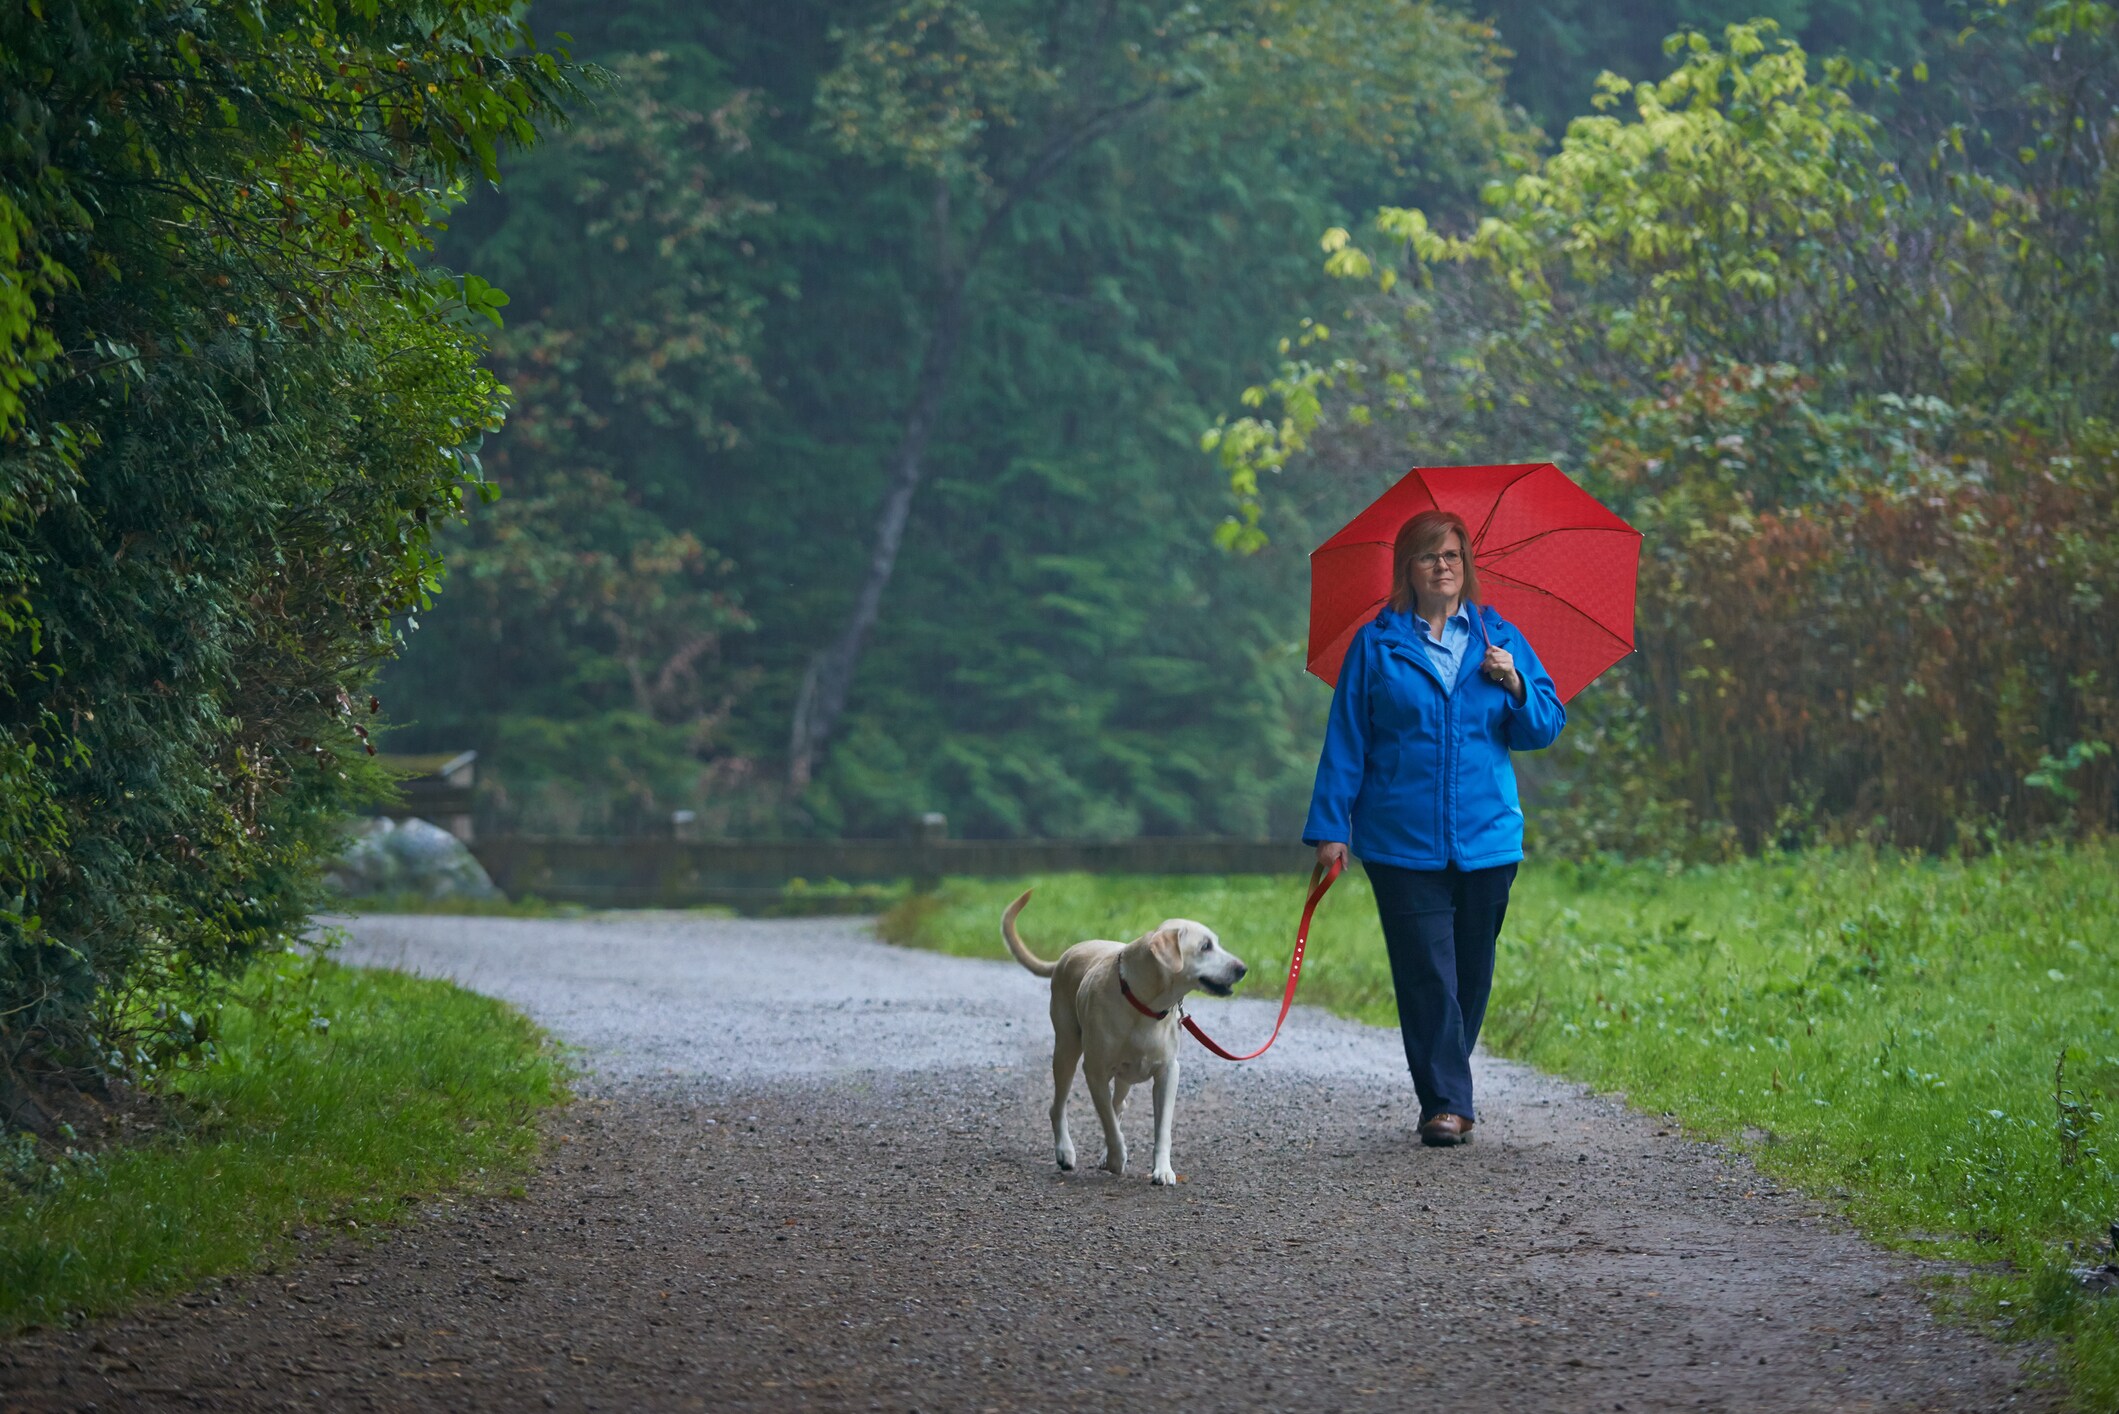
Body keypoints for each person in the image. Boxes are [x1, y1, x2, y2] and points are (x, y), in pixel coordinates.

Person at [1303, 508, 1565, 1146]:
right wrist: (1332, 827)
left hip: (1488, 837)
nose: (1442, 567)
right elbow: (1348, 739)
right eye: (1428, 557)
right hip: (1401, 841)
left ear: (1465, 566)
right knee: (1427, 972)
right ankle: (1447, 1103)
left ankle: (1447, 1079)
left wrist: (1515, 682)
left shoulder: (1500, 639)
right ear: (1408, 569)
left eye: (1451, 556)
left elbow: (1544, 727)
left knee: (1472, 971)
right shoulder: (1377, 644)